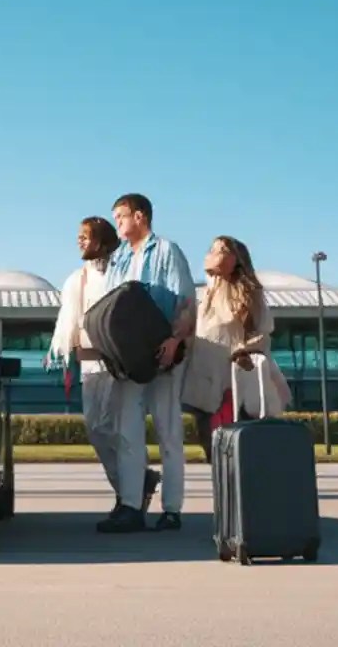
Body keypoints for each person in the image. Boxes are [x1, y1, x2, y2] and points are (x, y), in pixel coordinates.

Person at [46, 216, 160, 517]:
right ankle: (137, 484)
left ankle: (128, 498)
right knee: (96, 430)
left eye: (85, 236)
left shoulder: (122, 273)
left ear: (102, 240)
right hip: (90, 365)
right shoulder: (77, 279)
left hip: (119, 365)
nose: (79, 241)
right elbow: (68, 323)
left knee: (123, 432)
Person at [96, 193, 195, 533]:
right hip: (129, 360)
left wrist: (175, 340)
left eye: (121, 216)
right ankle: (130, 506)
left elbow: (185, 300)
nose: (118, 223)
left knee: (169, 431)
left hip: (163, 351)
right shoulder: (119, 258)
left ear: (140, 216)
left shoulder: (167, 251)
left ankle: (172, 509)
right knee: (128, 433)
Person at [182, 236, 291, 460]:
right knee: (211, 445)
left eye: (220, 250)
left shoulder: (249, 293)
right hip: (204, 380)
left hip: (234, 381)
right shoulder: (204, 294)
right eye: (210, 249)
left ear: (236, 259)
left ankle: (248, 489)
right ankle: (225, 492)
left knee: (240, 445)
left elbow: (261, 333)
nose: (211, 255)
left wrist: (244, 351)